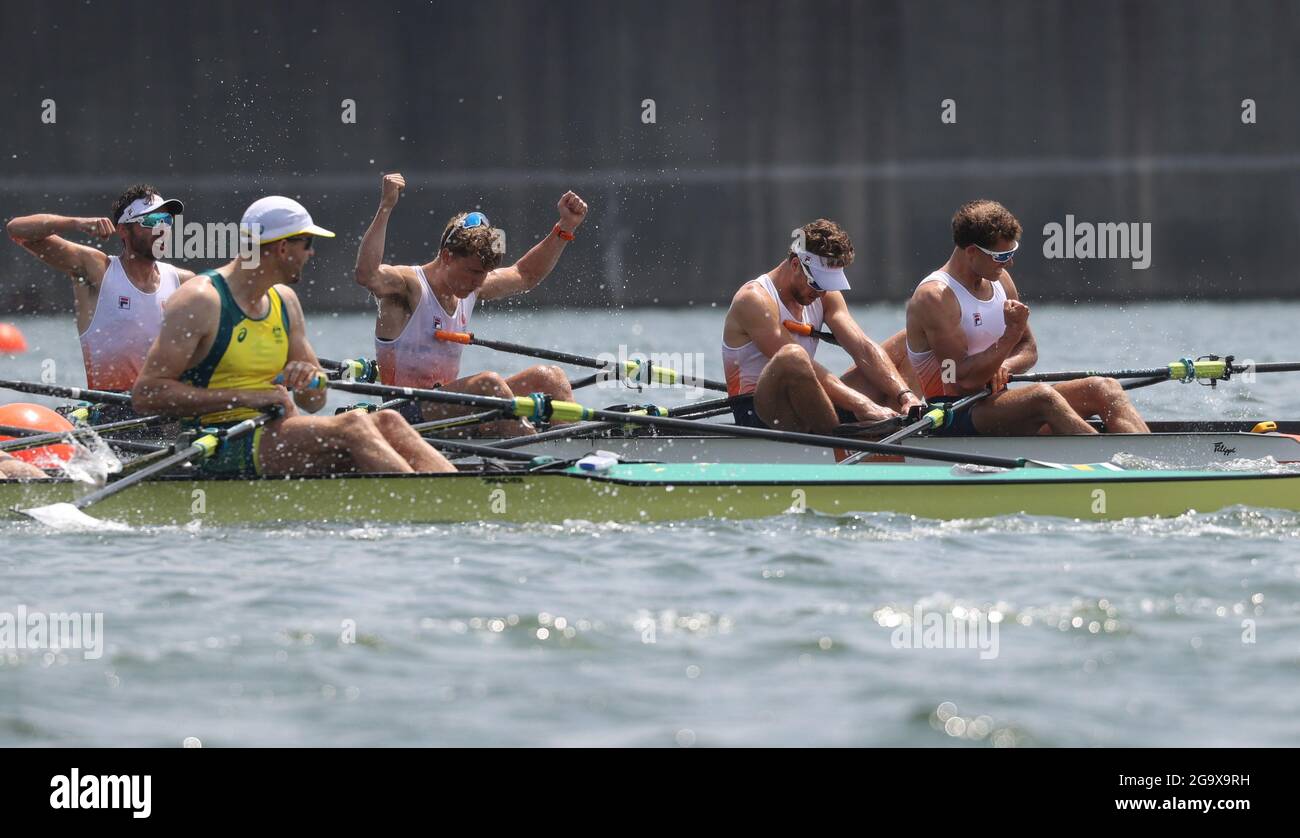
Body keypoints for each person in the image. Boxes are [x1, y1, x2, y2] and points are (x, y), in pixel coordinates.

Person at [132, 196, 454, 476]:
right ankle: (430, 503)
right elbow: (147, 395)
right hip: (218, 442)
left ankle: (454, 494)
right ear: (283, 247)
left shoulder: (284, 301)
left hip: (274, 434)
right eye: (307, 245)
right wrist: (248, 398)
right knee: (354, 425)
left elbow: (315, 401)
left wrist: (308, 380)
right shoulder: (201, 300)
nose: (311, 254)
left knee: (388, 422)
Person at [354, 172, 588, 437]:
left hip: (451, 411)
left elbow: (525, 275)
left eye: (484, 275)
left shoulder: (472, 286)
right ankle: (537, 453)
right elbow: (367, 274)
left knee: (551, 378)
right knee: (488, 383)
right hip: (403, 416)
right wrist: (386, 207)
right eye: (473, 272)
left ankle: (573, 451)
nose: (478, 283)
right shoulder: (408, 286)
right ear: (447, 256)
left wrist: (565, 227)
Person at [892, 199, 1149, 435]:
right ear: (971, 251)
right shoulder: (935, 297)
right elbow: (962, 379)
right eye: (1001, 256)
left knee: (1105, 388)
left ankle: (1149, 468)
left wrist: (1004, 367)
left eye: (1012, 253)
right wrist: (1009, 336)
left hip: (998, 405)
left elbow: (1029, 349)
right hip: (954, 413)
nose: (1009, 263)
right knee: (1042, 396)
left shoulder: (1000, 279)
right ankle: (1108, 472)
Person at [720, 219, 923, 434]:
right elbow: (800, 362)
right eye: (817, 283)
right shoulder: (754, 299)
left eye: (829, 284)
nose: (822, 293)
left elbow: (862, 347)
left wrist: (905, 394)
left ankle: (890, 428)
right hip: (760, 411)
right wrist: (863, 403)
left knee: (911, 340)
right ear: (796, 265)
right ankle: (840, 442)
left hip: (812, 403)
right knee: (793, 356)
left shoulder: (824, 295)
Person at [6, 184, 193, 396]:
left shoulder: (184, 282)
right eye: (151, 221)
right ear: (123, 230)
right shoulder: (97, 271)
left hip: (167, 408)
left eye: (166, 221)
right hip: (112, 411)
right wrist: (76, 223)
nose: (162, 229)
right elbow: (17, 230)